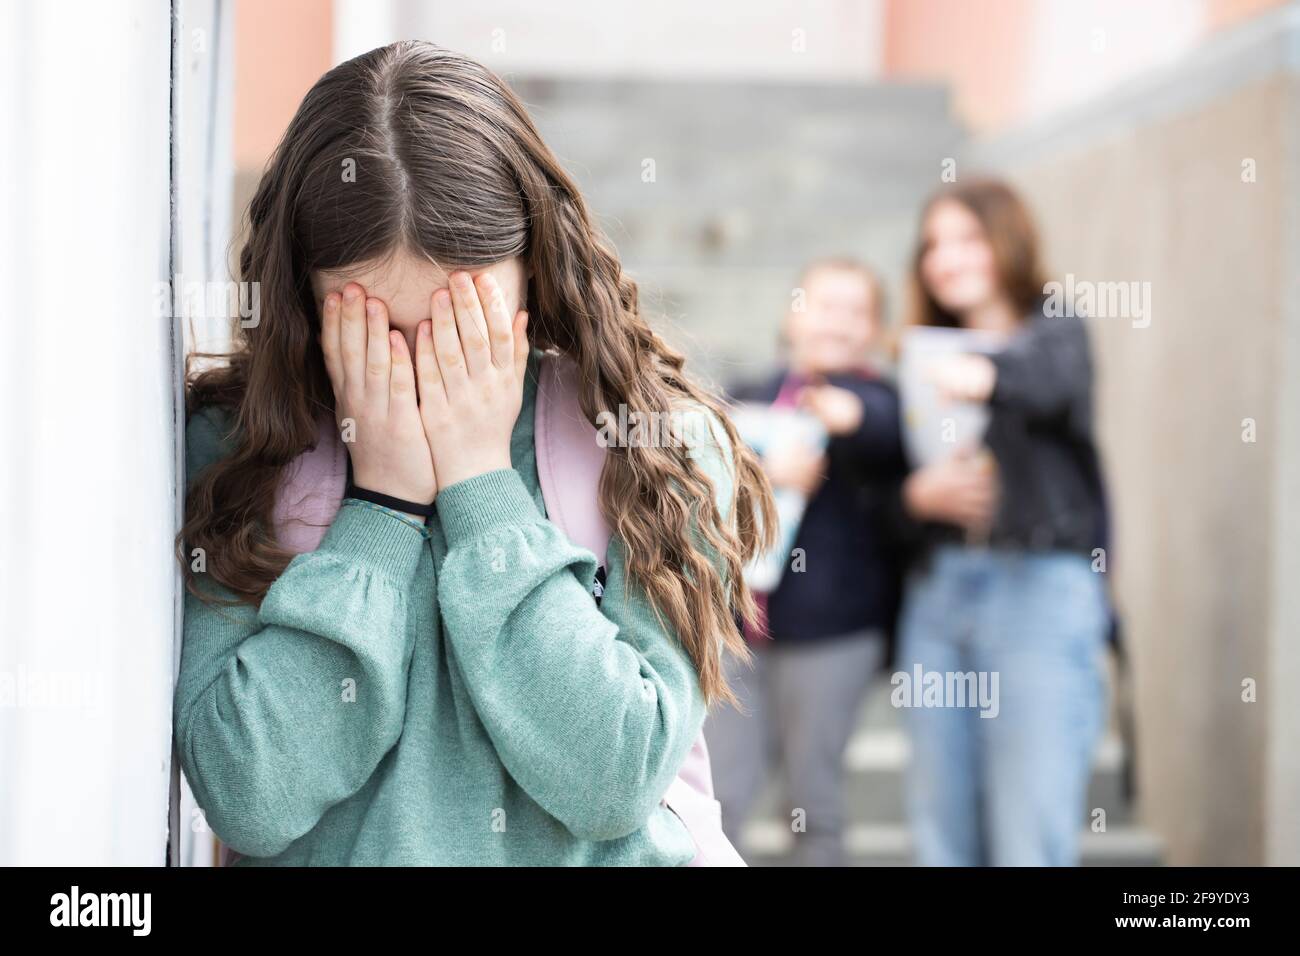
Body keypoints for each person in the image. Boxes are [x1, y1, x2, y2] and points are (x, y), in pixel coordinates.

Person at [174, 41, 776, 866]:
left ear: (535, 265)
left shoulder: (653, 446)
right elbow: (248, 795)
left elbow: (613, 783)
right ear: (304, 300)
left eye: (463, 322)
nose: (425, 365)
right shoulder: (240, 449)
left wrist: (481, 484)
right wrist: (380, 507)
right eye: (377, 329)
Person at [894, 178, 1111, 866]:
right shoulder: (922, 353)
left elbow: (1045, 380)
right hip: (938, 596)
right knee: (942, 834)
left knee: (1030, 835)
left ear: (1006, 242)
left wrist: (983, 375)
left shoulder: (1057, 331)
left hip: (1039, 593)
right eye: (934, 245)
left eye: (966, 239)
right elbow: (876, 484)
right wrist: (914, 498)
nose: (945, 258)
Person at [706, 258, 906, 866]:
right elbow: (696, 475)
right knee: (714, 800)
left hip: (830, 636)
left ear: (875, 331)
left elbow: (884, 430)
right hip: (738, 631)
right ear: (792, 315)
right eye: (824, 305)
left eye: (856, 311)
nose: (838, 323)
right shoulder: (746, 397)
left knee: (813, 804)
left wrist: (846, 414)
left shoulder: (876, 401)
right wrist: (764, 475)